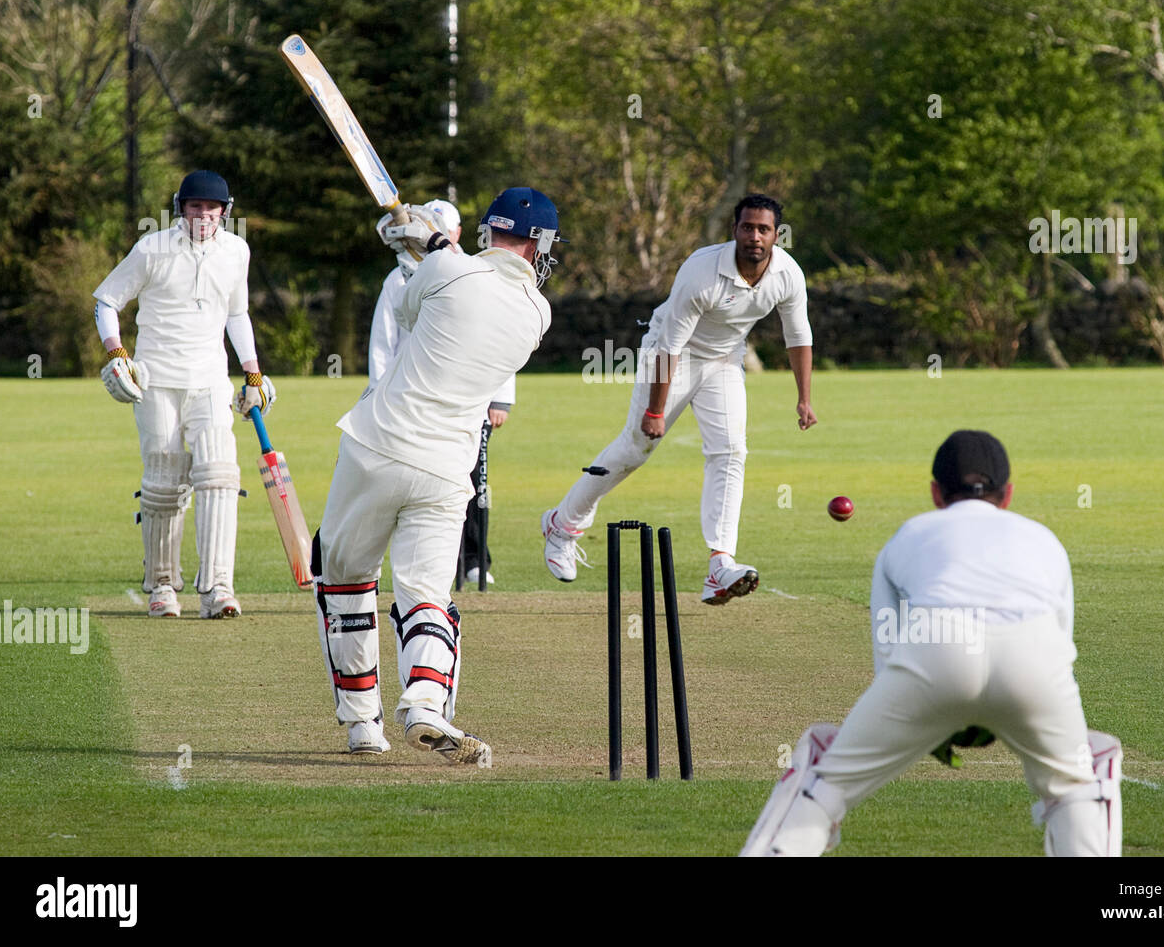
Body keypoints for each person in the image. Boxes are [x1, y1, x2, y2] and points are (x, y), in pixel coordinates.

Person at [741, 430, 1123, 857]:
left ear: (936, 493)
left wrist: (928, 718)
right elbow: (1060, 645)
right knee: (1081, 779)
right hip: (1033, 661)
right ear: (1009, 494)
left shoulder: (909, 533)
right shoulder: (1045, 540)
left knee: (825, 775)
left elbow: (887, 648)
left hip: (934, 652)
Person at [313, 188, 558, 759]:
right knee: (427, 594)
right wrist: (431, 245)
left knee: (347, 582)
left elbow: (408, 311)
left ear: (489, 230)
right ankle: (425, 703)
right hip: (449, 468)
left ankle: (362, 727)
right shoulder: (537, 314)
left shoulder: (448, 268)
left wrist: (422, 247)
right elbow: (465, 281)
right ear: (539, 243)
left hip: (377, 444)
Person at [541, 193, 816, 605]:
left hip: (725, 359)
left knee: (731, 451)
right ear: (735, 230)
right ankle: (562, 523)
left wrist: (804, 399)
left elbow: (798, 336)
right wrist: (655, 412)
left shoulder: (787, 274)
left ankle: (720, 564)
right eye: (747, 227)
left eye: (764, 229)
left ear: (777, 234)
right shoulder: (702, 270)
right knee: (637, 448)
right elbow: (670, 345)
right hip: (675, 354)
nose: (754, 236)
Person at [93, 170, 274, 620]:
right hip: (156, 380)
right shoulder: (151, 249)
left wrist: (252, 373)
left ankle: (217, 588)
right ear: (181, 208)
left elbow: (238, 315)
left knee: (219, 474)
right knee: (164, 481)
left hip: (210, 379)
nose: (203, 215)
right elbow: (107, 301)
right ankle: (161, 584)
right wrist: (118, 354)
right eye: (195, 207)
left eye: (211, 208)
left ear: (225, 211)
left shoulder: (236, 251)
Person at [366, 199, 513, 587]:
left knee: (472, 485)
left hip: (467, 398)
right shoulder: (398, 278)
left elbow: (496, 339)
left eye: (447, 231)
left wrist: (500, 398)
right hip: (407, 398)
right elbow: (383, 343)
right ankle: (414, 566)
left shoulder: (476, 273)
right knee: (411, 482)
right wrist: (377, 391)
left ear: (457, 234)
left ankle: (475, 560)